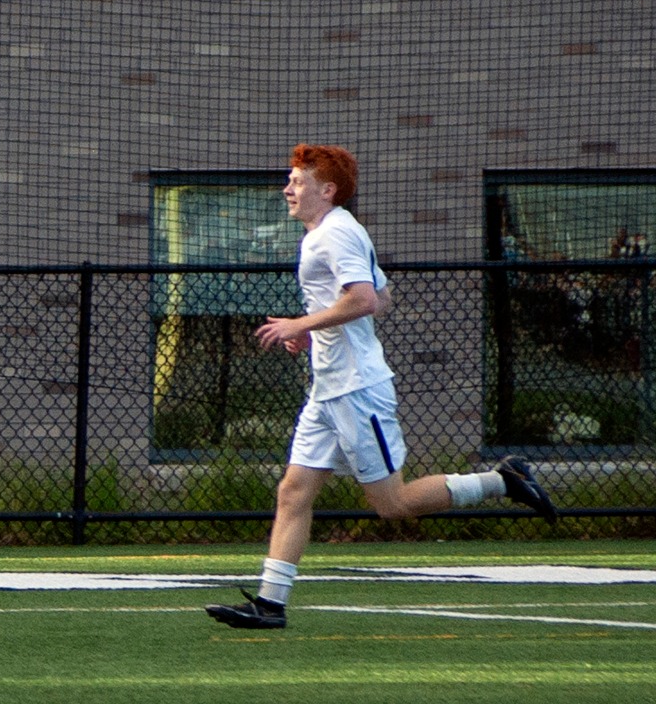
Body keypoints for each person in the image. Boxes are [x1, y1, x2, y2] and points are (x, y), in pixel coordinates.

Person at [206, 144, 558, 631]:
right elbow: (383, 297)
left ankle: (504, 481)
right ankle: (270, 604)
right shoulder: (329, 233)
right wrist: (313, 331)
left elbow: (367, 299)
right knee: (293, 491)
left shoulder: (335, 234)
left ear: (326, 190)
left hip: (356, 390)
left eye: (298, 182)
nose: (287, 189)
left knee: (392, 506)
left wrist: (298, 324)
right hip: (328, 390)